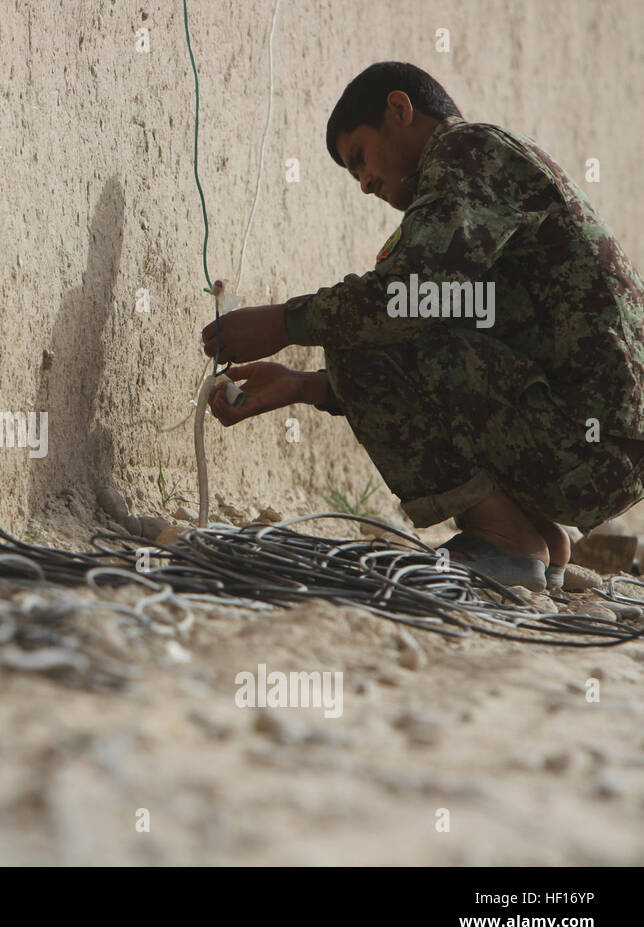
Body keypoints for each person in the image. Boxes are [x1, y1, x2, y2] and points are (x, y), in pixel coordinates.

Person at [201, 61, 644, 590]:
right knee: (372, 330)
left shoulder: (470, 152)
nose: (364, 184)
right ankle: (536, 536)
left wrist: (284, 322)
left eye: (360, 158)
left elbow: (405, 299)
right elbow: (449, 348)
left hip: (589, 443)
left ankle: (506, 541)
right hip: (599, 449)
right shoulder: (481, 176)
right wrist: (302, 386)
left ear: (399, 109)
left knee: (358, 332)